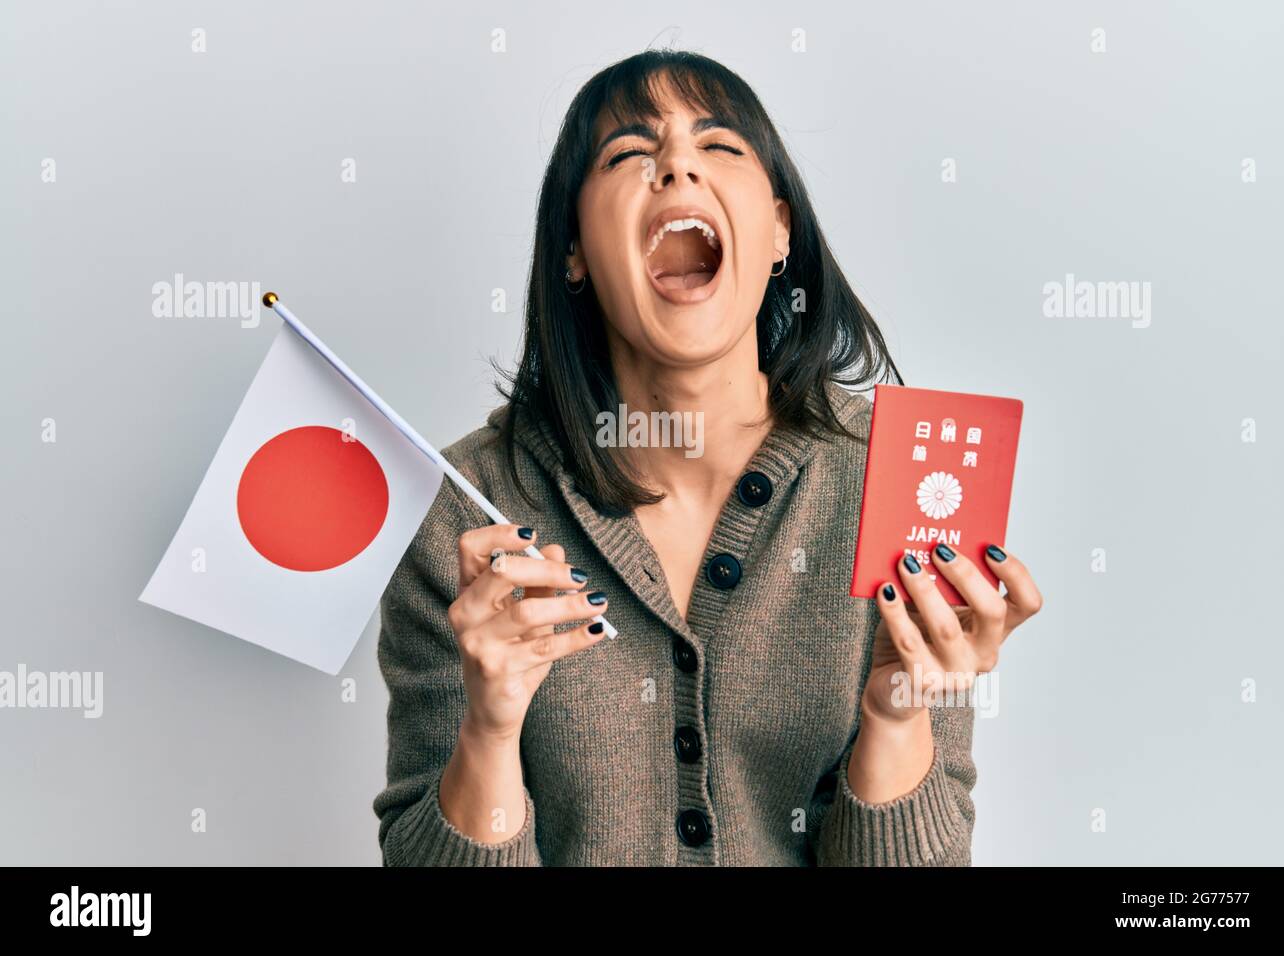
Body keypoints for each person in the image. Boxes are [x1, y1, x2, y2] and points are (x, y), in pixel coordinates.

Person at [372, 50, 1043, 866]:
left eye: (719, 146)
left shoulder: (901, 482)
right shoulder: (464, 509)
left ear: (780, 231)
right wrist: (488, 730)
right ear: (574, 251)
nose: (676, 163)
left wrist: (898, 713)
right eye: (627, 154)